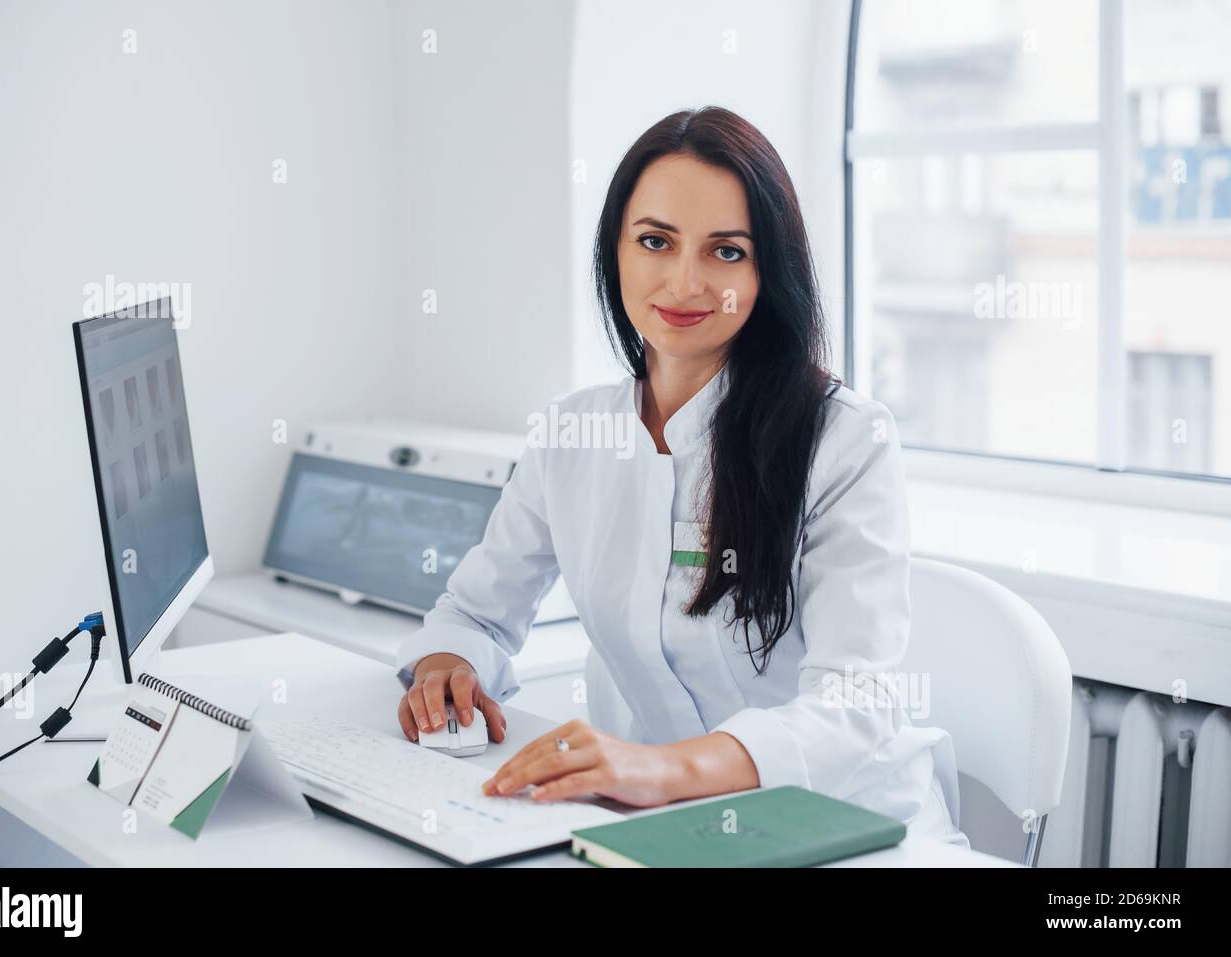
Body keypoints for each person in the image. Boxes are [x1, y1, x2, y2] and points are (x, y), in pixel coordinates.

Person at [395, 105, 969, 847]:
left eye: (726, 252)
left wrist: (659, 768)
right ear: (617, 251)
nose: (686, 281)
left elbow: (856, 702)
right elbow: (474, 613)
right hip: (674, 828)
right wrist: (448, 666)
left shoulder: (845, 440)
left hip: (848, 825)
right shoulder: (572, 434)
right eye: (656, 241)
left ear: (769, 271)